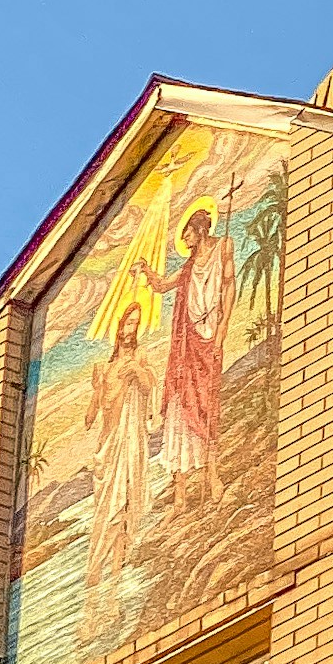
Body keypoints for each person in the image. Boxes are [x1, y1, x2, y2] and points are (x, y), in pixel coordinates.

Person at [157, 203, 236, 515]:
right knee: (181, 407)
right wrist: (146, 271)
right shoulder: (188, 267)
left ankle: (213, 476)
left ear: (200, 229)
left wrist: (223, 329)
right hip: (186, 344)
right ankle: (179, 493)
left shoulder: (224, 247)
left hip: (209, 339)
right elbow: (163, 285)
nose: (185, 240)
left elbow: (229, 286)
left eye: (187, 233)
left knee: (207, 406)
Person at [83, 301, 154, 599]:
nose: (131, 329)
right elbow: (92, 414)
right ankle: (96, 569)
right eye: (128, 323)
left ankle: (116, 571)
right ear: (119, 327)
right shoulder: (104, 368)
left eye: (136, 324)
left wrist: (137, 371)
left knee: (124, 503)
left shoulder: (140, 358)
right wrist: (96, 392)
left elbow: (149, 387)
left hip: (130, 439)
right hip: (109, 444)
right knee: (107, 508)